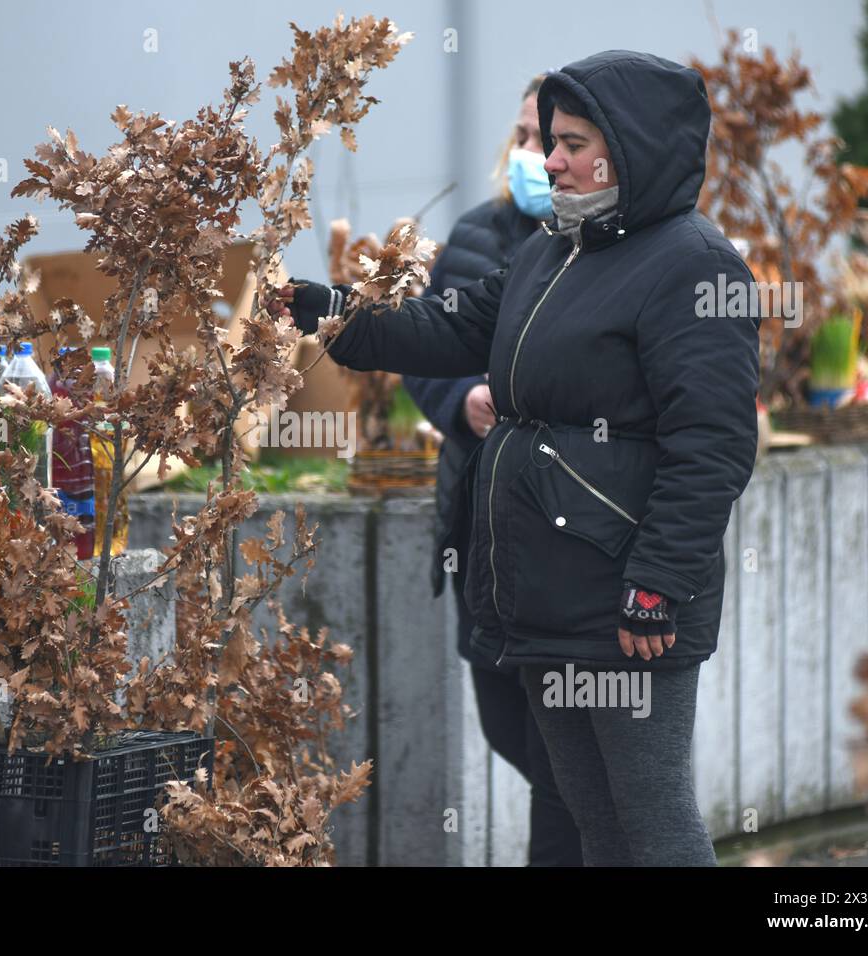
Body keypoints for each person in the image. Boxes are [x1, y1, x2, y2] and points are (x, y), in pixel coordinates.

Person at [268, 50, 760, 866]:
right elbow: (451, 328)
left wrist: (656, 586)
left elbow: (712, 445)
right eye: (548, 142)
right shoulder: (551, 250)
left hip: (627, 602)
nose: (549, 160)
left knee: (653, 823)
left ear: (628, 148)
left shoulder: (693, 265)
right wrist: (337, 316)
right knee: (591, 820)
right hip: (542, 589)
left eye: (570, 143)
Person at [399, 73, 583, 867]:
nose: (532, 154)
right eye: (522, 137)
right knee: (507, 726)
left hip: (561, 534)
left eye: (549, 141)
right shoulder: (476, 237)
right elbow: (423, 354)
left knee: (561, 755)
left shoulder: (599, 252)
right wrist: (461, 399)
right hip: (477, 527)